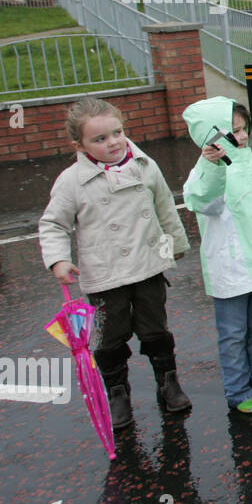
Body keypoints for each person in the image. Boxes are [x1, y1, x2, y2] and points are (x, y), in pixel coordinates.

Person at [39, 97, 191, 430]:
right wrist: (59, 260)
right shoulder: (71, 181)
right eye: (100, 139)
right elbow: (53, 223)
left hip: (148, 265)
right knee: (110, 338)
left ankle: (168, 381)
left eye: (117, 133)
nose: (113, 142)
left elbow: (165, 207)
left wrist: (176, 245)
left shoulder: (144, 165)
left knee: (156, 329)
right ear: (79, 145)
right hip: (105, 276)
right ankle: (117, 393)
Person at [182, 97, 252, 413]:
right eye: (234, 131)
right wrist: (212, 165)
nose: (242, 137)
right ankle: (238, 389)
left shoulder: (245, 160)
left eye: (244, 130)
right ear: (210, 136)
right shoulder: (203, 173)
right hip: (229, 271)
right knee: (233, 335)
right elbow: (202, 199)